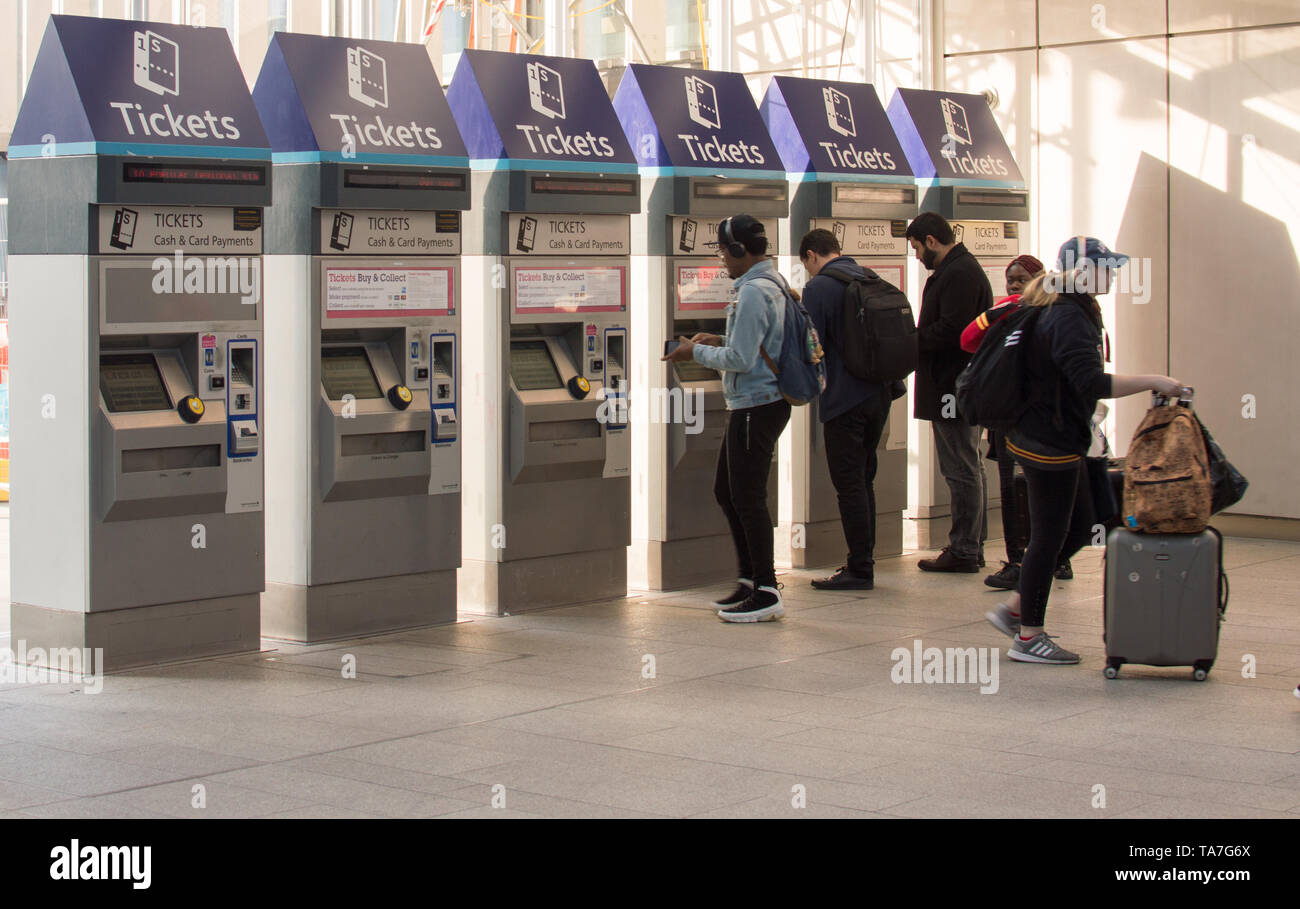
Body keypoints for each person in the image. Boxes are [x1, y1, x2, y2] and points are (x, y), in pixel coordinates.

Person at [984, 237, 1184, 663]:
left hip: (1052, 436)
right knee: (1048, 537)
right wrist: (1154, 380)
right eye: (1103, 267)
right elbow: (1091, 382)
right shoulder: (1067, 316)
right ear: (1080, 271)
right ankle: (1028, 637)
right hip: (1047, 442)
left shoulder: (1069, 306)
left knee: (1082, 524)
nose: (1111, 274)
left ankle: (1018, 607)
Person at [664, 214, 791, 623]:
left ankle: (767, 589)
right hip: (757, 401)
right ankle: (751, 579)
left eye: (723, 250)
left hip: (757, 402)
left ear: (740, 250)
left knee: (748, 495)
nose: (721, 258)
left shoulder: (754, 290)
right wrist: (716, 339)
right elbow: (750, 343)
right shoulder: (772, 283)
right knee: (728, 489)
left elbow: (742, 358)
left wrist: (693, 352)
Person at [958, 254, 1074, 589]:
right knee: (1052, 492)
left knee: (1014, 491)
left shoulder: (1012, 309)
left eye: (1021, 279)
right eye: (1010, 280)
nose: (1013, 285)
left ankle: (1018, 561)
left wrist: (1002, 308)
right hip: (1056, 420)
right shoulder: (1067, 311)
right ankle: (1058, 559)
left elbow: (967, 338)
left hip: (1015, 417)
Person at [796, 228, 898, 591]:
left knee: (849, 484)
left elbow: (811, 344)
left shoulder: (819, 287)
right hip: (879, 394)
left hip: (844, 400)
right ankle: (864, 560)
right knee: (864, 478)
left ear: (810, 255)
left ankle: (859, 568)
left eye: (805, 263)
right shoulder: (867, 276)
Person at [906, 211, 993, 573]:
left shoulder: (958, 273)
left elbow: (951, 330)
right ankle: (972, 545)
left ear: (930, 240)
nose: (916, 256)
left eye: (916, 247)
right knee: (968, 465)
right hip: (957, 384)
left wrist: (908, 339)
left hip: (952, 387)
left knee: (960, 468)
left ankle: (964, 549)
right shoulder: (960, 269)